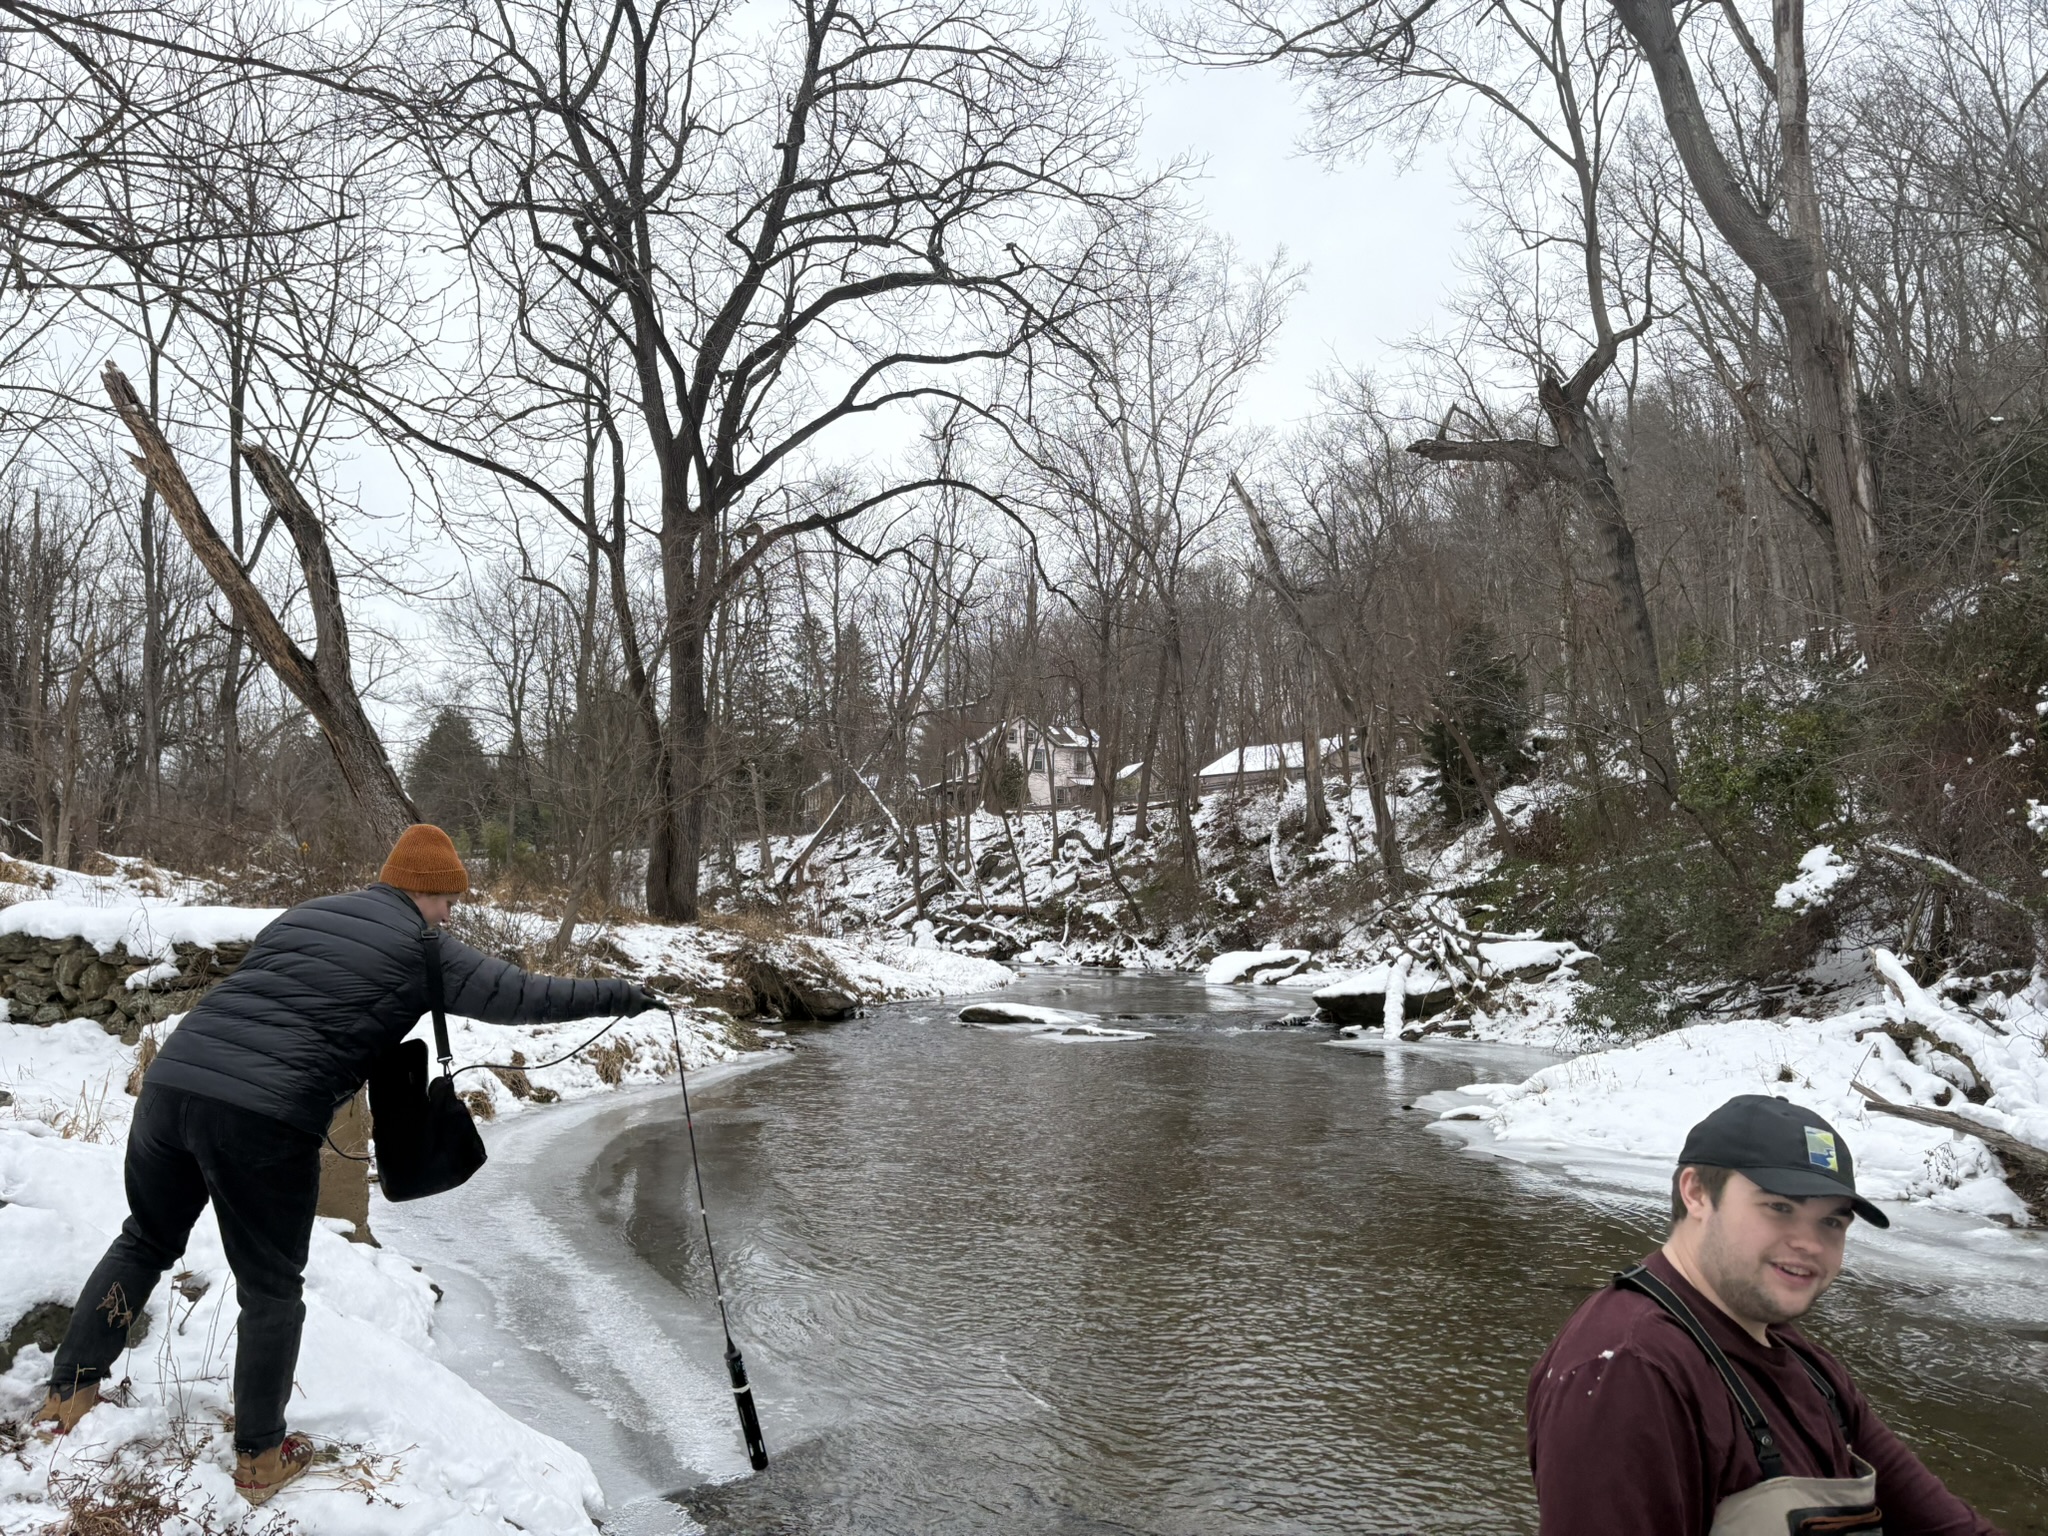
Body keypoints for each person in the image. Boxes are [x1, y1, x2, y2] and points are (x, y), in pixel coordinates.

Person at [32, 824, 660, 1505]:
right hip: (262, 1119)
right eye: (450, 899)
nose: (452, 914)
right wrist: (621, 996)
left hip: (172, 1085)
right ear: (428, 890)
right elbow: (523, 996)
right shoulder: (425, 946)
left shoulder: (308, 914)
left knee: (146, 1239)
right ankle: (261, 1456)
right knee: (271, 1289)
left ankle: (68, 1395)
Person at [1527, 1094, 2004, 1534]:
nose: (1810, 1243)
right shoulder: (1630, 1369)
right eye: (1778, 1206)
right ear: (1695, 1193)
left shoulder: (1803, 1363)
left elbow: (1938, 1522)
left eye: (1832, 1221)